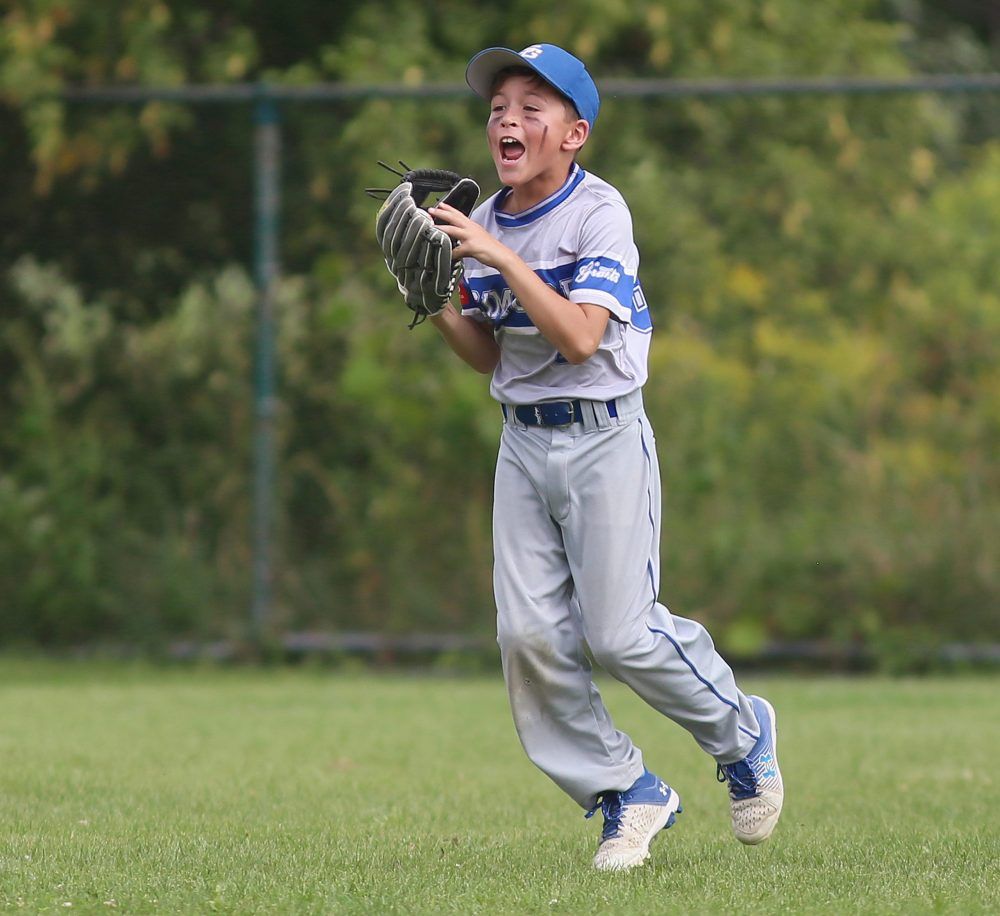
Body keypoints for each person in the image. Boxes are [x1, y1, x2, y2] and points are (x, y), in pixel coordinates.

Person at [424, 42, 784, 871]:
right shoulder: (482, 224)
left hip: (605, 437)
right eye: (497, 106)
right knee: (528, 636)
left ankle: (742, 732)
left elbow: (584, 339)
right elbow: (489, 355)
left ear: (574, 133)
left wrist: (503, 258)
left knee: (620, 636)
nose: (507, 119)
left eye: (531, 106)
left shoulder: (599, 215)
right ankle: (628, 791)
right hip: (523, 443)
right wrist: (435, 302)